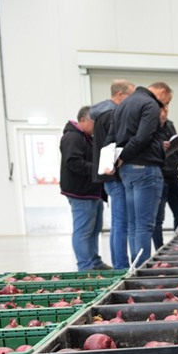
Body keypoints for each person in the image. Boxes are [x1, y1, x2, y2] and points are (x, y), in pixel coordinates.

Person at [108, 81, 174, 267]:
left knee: (133, 224)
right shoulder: (150, 104)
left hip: (127, 171)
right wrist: (124, 155)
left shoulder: (122, 106)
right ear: (162, 92)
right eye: (166, 102)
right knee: (144, 225)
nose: (164, 107)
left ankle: (135, 267)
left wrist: (115, 160)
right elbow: (143, 137)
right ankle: (143, 269)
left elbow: (112, 137)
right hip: (145, 170)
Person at [89, 79, 135, 269]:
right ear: (119, 95)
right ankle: (121, 267)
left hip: (108, 175)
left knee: (118, 223)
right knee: (120, 223)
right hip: (114, 176)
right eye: (130, 96)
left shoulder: (102, 114)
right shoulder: (111, 115)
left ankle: (120, 265)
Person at [60, 106, 109, 271]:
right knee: (83, 231)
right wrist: (98, 168)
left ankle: (95, 262)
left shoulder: (87, 137)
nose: (96, 126)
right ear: (83, 120)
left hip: (92, 192)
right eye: (94, 122)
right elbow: (73, 162)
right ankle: (85, 267)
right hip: (80, 192)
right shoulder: (72, 137)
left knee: (94, 230)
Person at [153, 105, 178, 249]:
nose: (164, 114)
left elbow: (175, 145)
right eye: (161, 111)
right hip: (160, 176)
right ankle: (159, 248)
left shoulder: (170, 125)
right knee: (158, 217)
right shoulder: (151, 127)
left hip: (174, 175)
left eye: (166, 111)